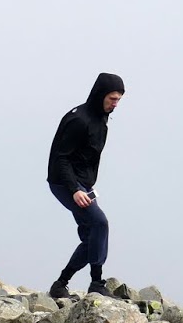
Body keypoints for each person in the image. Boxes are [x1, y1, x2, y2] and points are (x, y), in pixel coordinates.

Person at [46, 72, 125, 299]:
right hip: (64, 182)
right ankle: (97, 283)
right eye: (112, 99)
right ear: (101, 95)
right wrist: (75, 190)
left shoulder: (101, 118)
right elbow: (61, 159)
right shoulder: (78, 119)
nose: (115, 104)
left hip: (83, 184)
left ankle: (61, 284)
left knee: (92, 236)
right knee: (100, 223)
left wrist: (85, 186)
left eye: (118, 100)